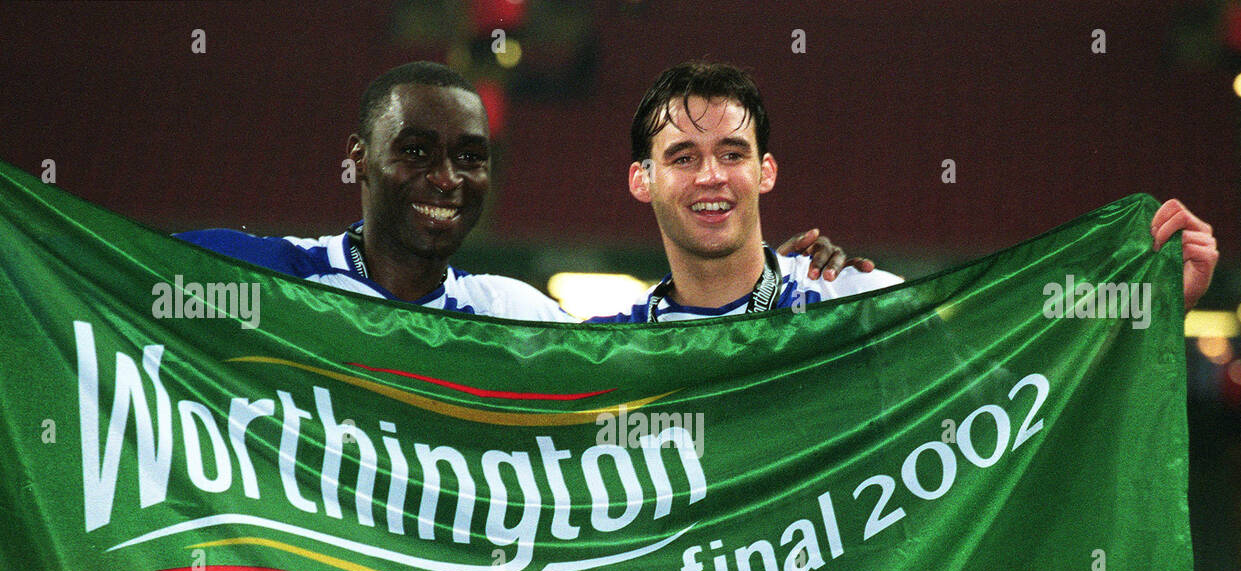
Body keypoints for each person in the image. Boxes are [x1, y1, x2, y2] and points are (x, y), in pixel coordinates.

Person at [176, 62, 864, 320]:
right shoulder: (266, 277)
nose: (446, 179)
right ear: (358, 160)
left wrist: (775, 275)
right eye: (416, 152)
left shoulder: (516, 318)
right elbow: (99, 275)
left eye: (470, 157)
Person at [590, 61, 1218, 323]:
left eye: (733, 154)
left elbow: (1010, 372)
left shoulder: (860, 307)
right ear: (640, 180)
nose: (711, 177)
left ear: (767, 171)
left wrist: (1151, 304)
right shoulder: (610, 354)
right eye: (682, 157)